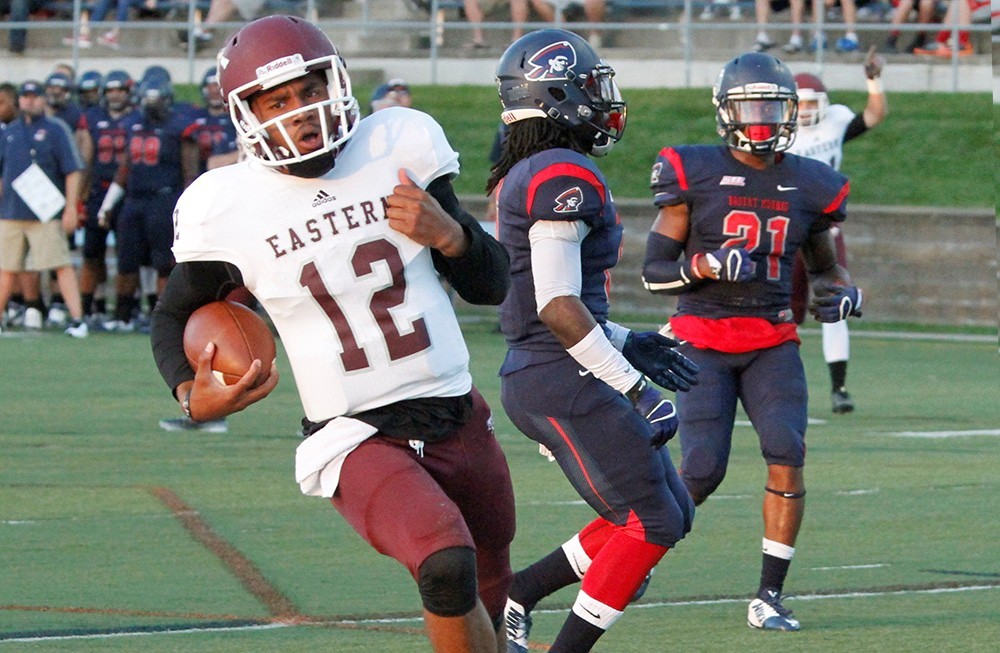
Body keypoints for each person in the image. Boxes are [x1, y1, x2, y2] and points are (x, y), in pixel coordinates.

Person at [150, 15, 516, 652]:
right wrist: (191, 393)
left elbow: (491, 285)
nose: (301, 111)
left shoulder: (397, 144)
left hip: (456, 406)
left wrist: (452, 237)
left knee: (489, 571)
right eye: (280, 101)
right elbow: (173, 314)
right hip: (354, 432)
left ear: (337, 83)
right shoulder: (228, 206)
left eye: (310, 89)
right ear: (247, 114)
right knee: (444, 562)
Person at [489, 29, 699, 653]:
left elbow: (554, 302)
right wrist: (634, 388)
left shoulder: (541, 168)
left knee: (674, 510)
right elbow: (556, 306)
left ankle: (519, 593)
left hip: (559, 364)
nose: (604, 99)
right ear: (557, 94)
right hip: (558, 375)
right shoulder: (560, 173)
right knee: (650, 520)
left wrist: (628, 339)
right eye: (590, 85)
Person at [641, 51, 864, 632]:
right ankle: (636, 556)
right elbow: (654, 270)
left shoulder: (812, 184)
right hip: (703, 339)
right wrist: (705, 266)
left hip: (771, 340)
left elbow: (825, 271)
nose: (764, 119)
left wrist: (839, 291)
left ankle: (769, 594)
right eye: (752, 106)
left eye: (773, 106)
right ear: (725, 111)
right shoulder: (693, 172)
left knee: (788, 454)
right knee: (702, 468)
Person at [786, 48, 887, 413]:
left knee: (835, 300)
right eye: (802, 103)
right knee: (784, 309)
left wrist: (873, 80)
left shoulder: (837, 121)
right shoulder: (779, 134)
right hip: (785, 229)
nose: (809, 110)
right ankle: (778, 386)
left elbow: (874, 115)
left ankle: (838, 388)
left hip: (825, 228)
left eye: (814, 103)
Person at [96, 69, 200, 332]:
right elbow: (124, 169)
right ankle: (122, 315)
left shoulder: (180, 127)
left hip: (164, 200)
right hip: (134, 200)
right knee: (127, 261)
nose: (152, 105)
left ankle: (163, 319)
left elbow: (190, 173)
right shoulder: (134, 124)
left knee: (165, 263)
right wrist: (108, 204)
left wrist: (188, 209)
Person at [0, 80, 88, 338]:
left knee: (61, 264)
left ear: (42, 100)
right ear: (20, 101)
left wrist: (71, 207)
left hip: (45, 213)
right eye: (25, 97)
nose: (30, 101)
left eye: (34, 96)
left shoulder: (56, 129)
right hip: (11, 212)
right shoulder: (9, 132)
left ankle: (77, 319)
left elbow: (72, 170)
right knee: (5, 268)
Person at [78, 69, 135, 323]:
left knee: (127, 255)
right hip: (99, 190)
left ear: (128, 92)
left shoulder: (137, 119)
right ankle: (91, 307)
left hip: (127, 193)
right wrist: (81, 196)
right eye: (110, 90)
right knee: (92, 253)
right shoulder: (92, 118)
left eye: (119, 90)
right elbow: (85, 160)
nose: (114, 95)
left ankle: (125, 310)